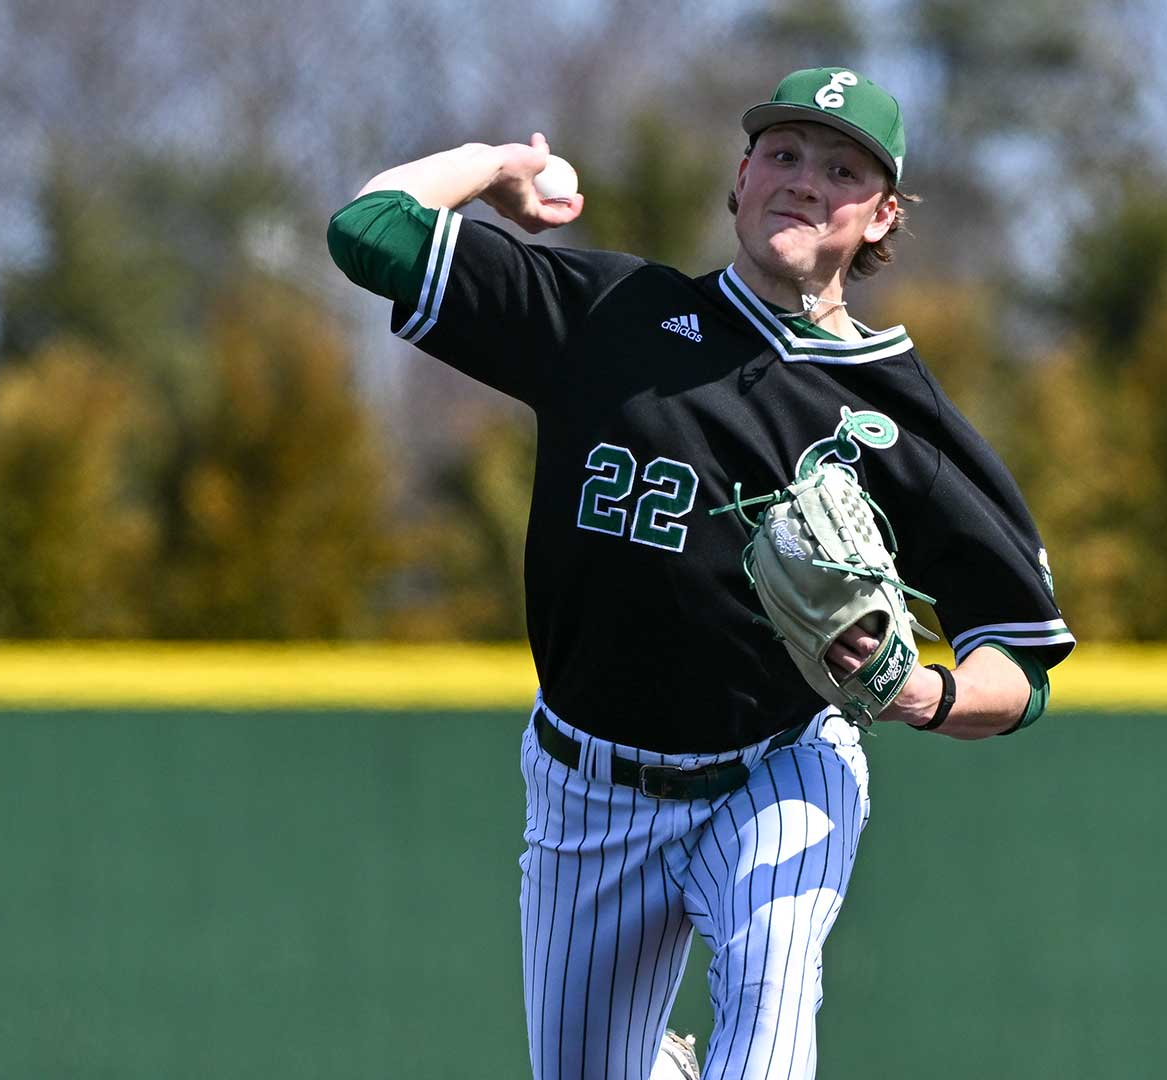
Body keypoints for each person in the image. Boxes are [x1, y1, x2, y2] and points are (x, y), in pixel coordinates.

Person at [327, 66, 1073, 1080]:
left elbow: (1020, 667)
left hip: (777, 766)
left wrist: (920, 692)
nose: (805, 180)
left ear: (883, 215)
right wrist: (495, 168)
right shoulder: (613, 318)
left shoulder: (900, 420)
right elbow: (370, 230)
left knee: (765, 1044)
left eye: (843, 169)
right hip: (588, 789)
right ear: (741, 176)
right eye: (785, 153)